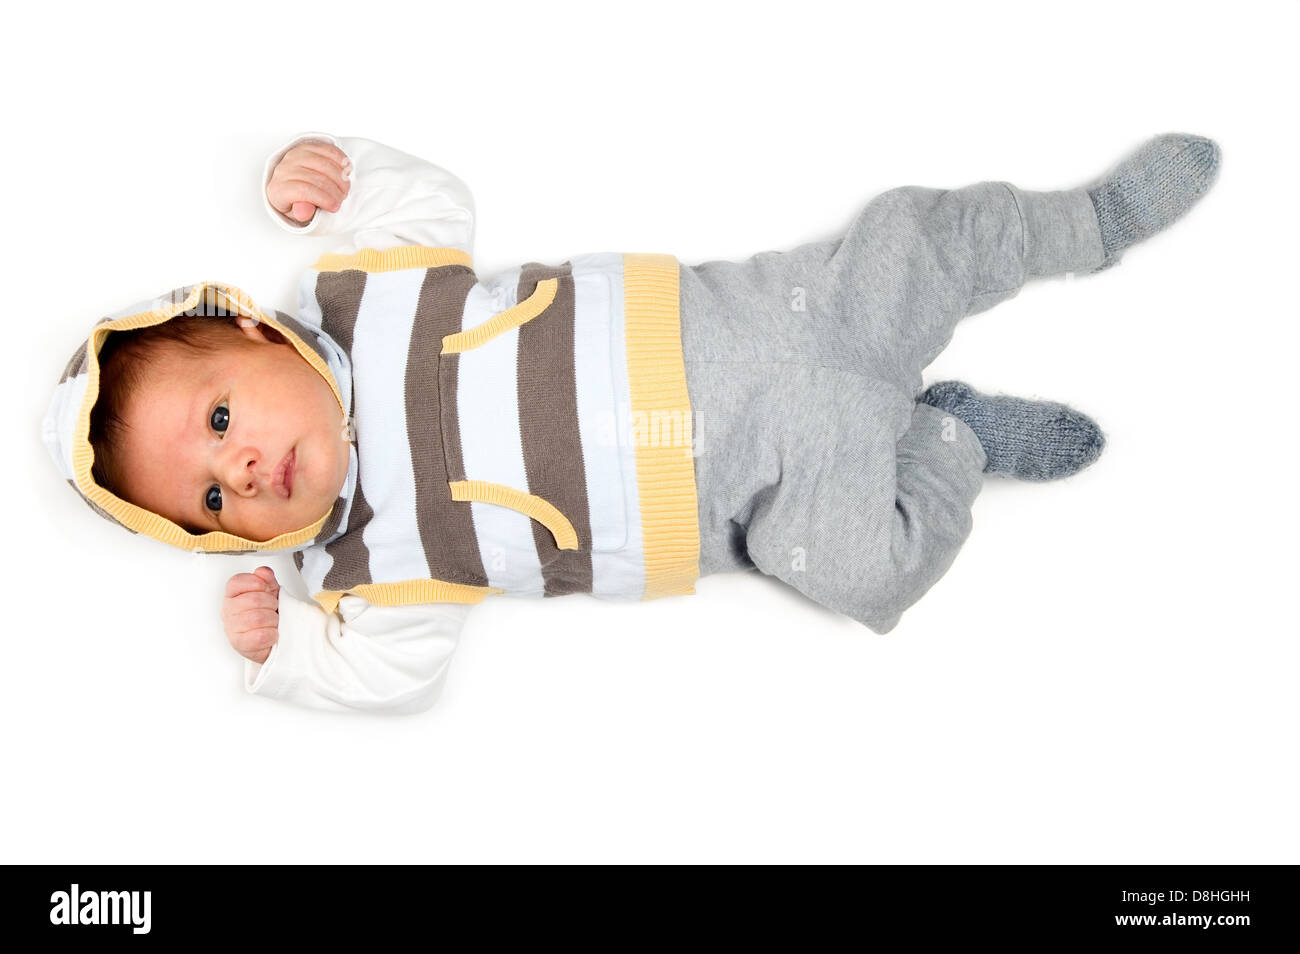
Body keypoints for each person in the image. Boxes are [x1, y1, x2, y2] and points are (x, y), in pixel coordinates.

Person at [42, 130, 1221, 714]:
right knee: (868, 572)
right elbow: (394, 679)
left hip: (784, 317)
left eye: (218, 417)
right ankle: (952, 441)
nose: (240, 466)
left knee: (917, 236)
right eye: (209, 498)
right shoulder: (368, 572)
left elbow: (434, 201)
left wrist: (342, 181)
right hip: (766, 498)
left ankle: (1085, 225)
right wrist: (291, 653)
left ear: (253, 335)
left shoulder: (364, 290)